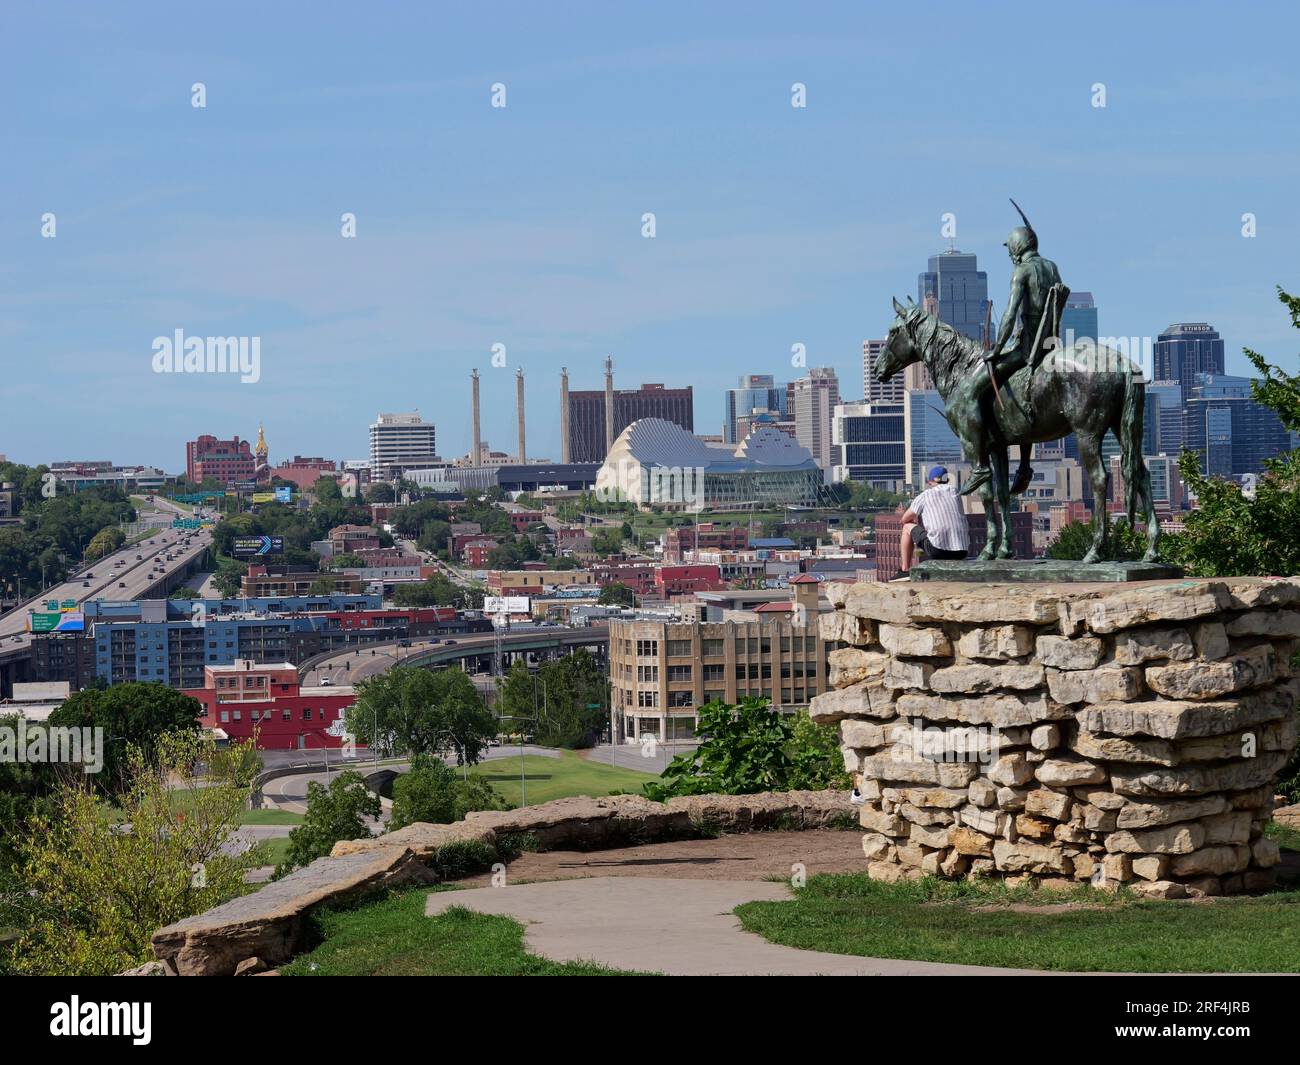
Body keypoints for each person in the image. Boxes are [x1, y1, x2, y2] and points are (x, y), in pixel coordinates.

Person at [958, 200, 1069, 498]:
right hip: (1052, 345)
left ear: (1019, 246)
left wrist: (994, 350)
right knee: (1017, 392)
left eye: (1010, 248)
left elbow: (1009, 314)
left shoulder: (1022, 272)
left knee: (970, 393)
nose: (1009, 253)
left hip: (1027, 348)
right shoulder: (1052, 267)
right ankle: (1024, 466)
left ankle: (981, 465)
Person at [898, 466, 970, 575]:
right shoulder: (955, 492)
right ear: (947, 480)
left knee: (907, 527)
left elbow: (904, 519)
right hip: (962, 552)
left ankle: (905, 570)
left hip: (938, 550)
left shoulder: (925, 495)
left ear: (930, 481)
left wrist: (913, 521)